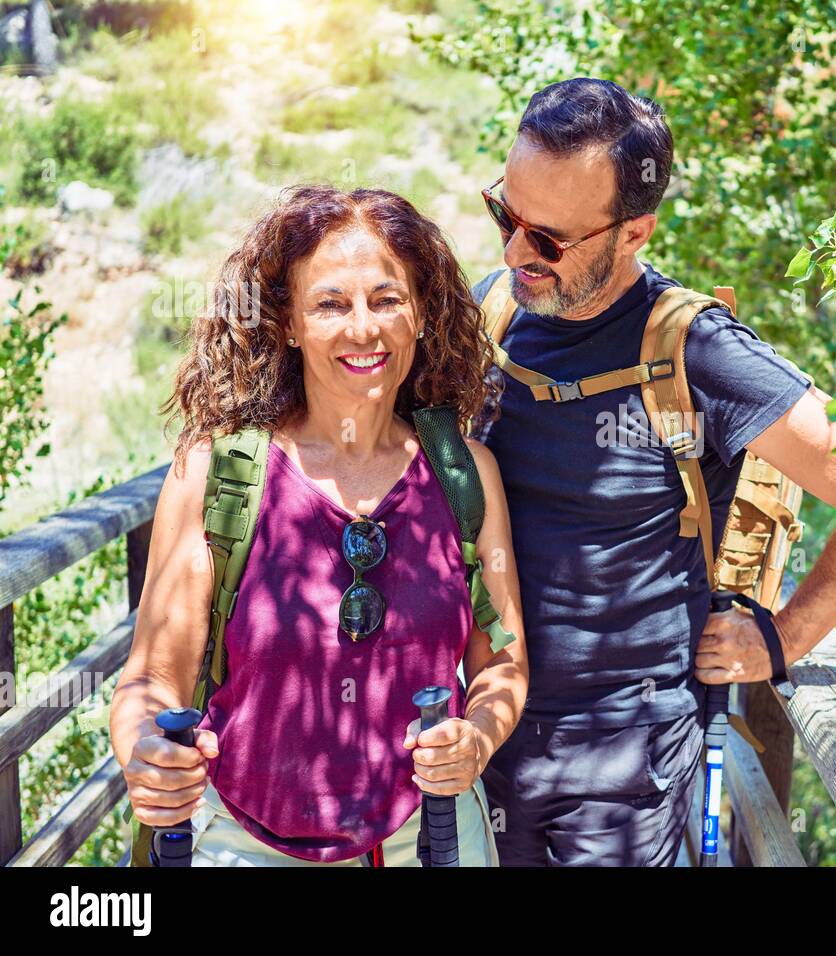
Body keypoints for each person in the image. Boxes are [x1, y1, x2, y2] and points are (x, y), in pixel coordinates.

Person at [471, 77, 836, 866]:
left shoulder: (697, 352)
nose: (515, 251)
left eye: (547, 239)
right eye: (504, 214)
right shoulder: (497, 312)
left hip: (622, 770)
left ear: (634, 232)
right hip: (483, 734)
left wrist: (779, 643)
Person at [109, 185, 528, 866]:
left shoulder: (464, 473)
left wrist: (476, 736)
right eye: (331, 303)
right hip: (241, 841)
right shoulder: (219, 474)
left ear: (421, 313)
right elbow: (151, 680)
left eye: (387, 299)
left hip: (432, 837)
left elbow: (501, 664)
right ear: (288, 324)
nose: (363, 328)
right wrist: (145, 753)